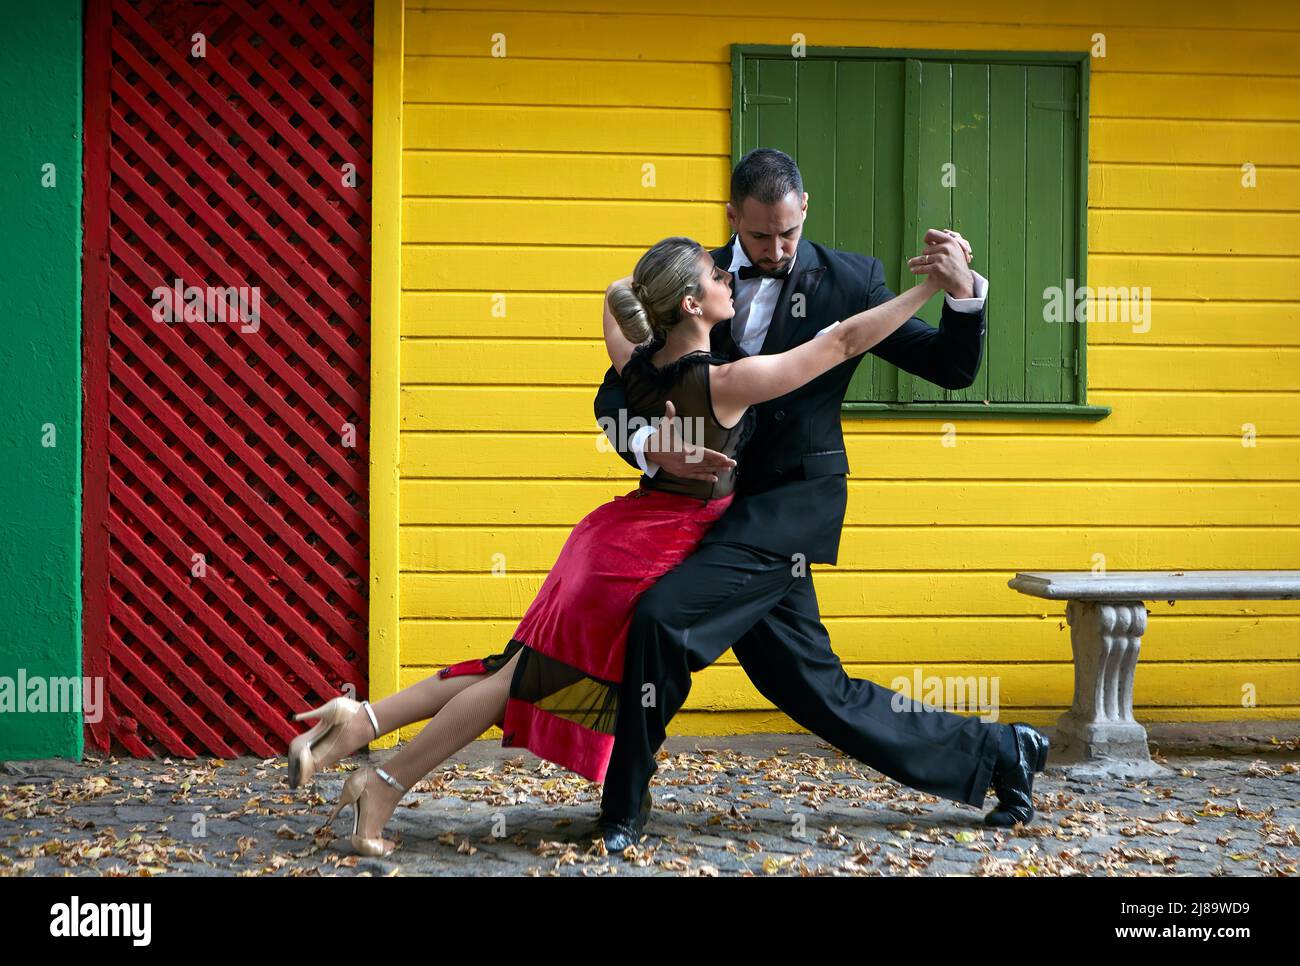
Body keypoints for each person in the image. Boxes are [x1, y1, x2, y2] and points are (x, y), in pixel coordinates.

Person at [286, 234, 942, 856]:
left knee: (511, 667)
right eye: (716, 277)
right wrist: (924, 292)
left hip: (614, 536)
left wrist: (655, 437)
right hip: (647, 550)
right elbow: (843, 340)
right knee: (519, 679)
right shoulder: (726, 383)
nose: (728, 279)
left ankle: (360, 722)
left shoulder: (637, 361)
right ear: (691, 304)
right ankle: (384, 785)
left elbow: (613, 292)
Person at [591, 148, 1049, 850]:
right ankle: (1001, 753)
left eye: (788, 234)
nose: (775, 250)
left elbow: (951, 368)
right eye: (759, 236)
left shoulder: (853, 280)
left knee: (660, 616)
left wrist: (962, 293)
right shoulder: (693, 279)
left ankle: (622, 808)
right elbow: (621, 390)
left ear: (804, 210)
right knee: (811, 688)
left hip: (792, 504)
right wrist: (653, 447)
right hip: (710, 511)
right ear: (732, 218)